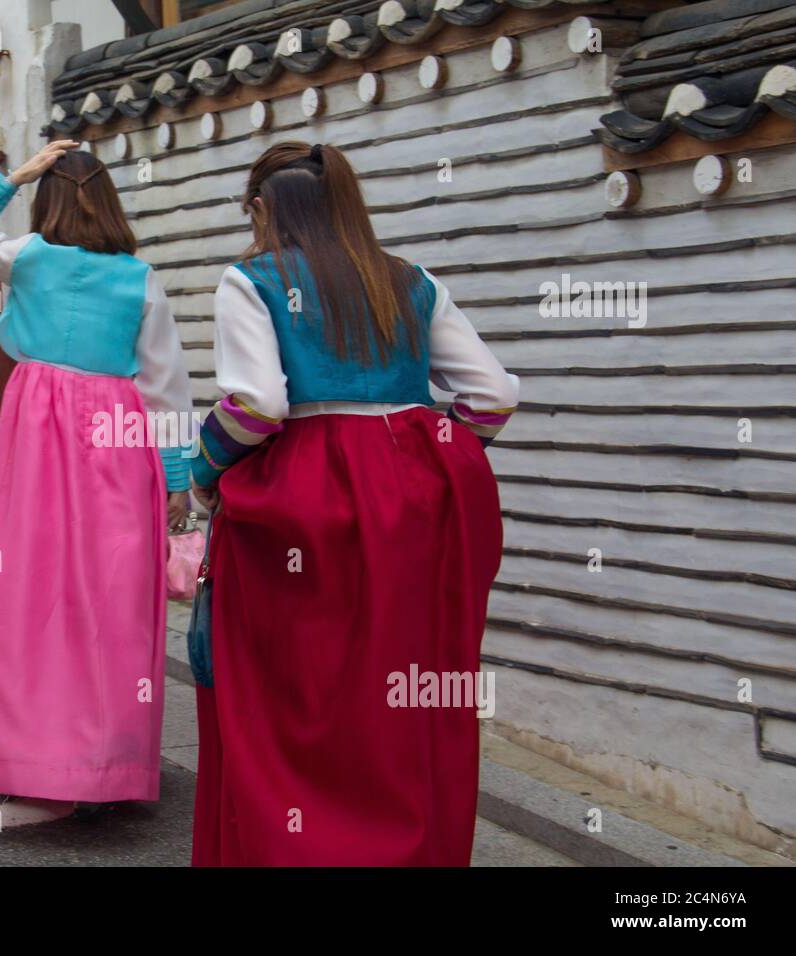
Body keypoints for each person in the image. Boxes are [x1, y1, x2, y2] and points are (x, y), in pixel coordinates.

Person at [189, 141, 520, 865]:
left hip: (299, 505)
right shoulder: (410, 280)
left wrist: (203, 467)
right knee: (402, 698)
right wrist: (432, 455)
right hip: (414, 510)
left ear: (260, 209)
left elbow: (256, 405)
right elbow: (493, 396)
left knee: (293, 698)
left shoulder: (252, 280)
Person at [0, 141, 192, 805]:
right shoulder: (141, 279)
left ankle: (28, 753)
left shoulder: (27, 256)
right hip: (118, 429)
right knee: (112, 592)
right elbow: (168, 387)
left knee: (26, 586)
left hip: (36, 436)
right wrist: (177, 479)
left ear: (47, 201)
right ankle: (102, 760)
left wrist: (12, 177)